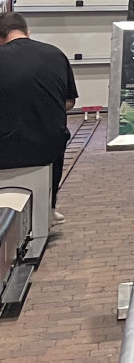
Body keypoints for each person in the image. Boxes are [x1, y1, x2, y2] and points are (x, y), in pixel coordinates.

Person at [0, 12, 76, 222]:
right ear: (27, 33)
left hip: (5, 150)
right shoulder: (56, 54)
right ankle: (49, 206)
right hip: (47, 148)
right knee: (57, 133)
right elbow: (69, 102)